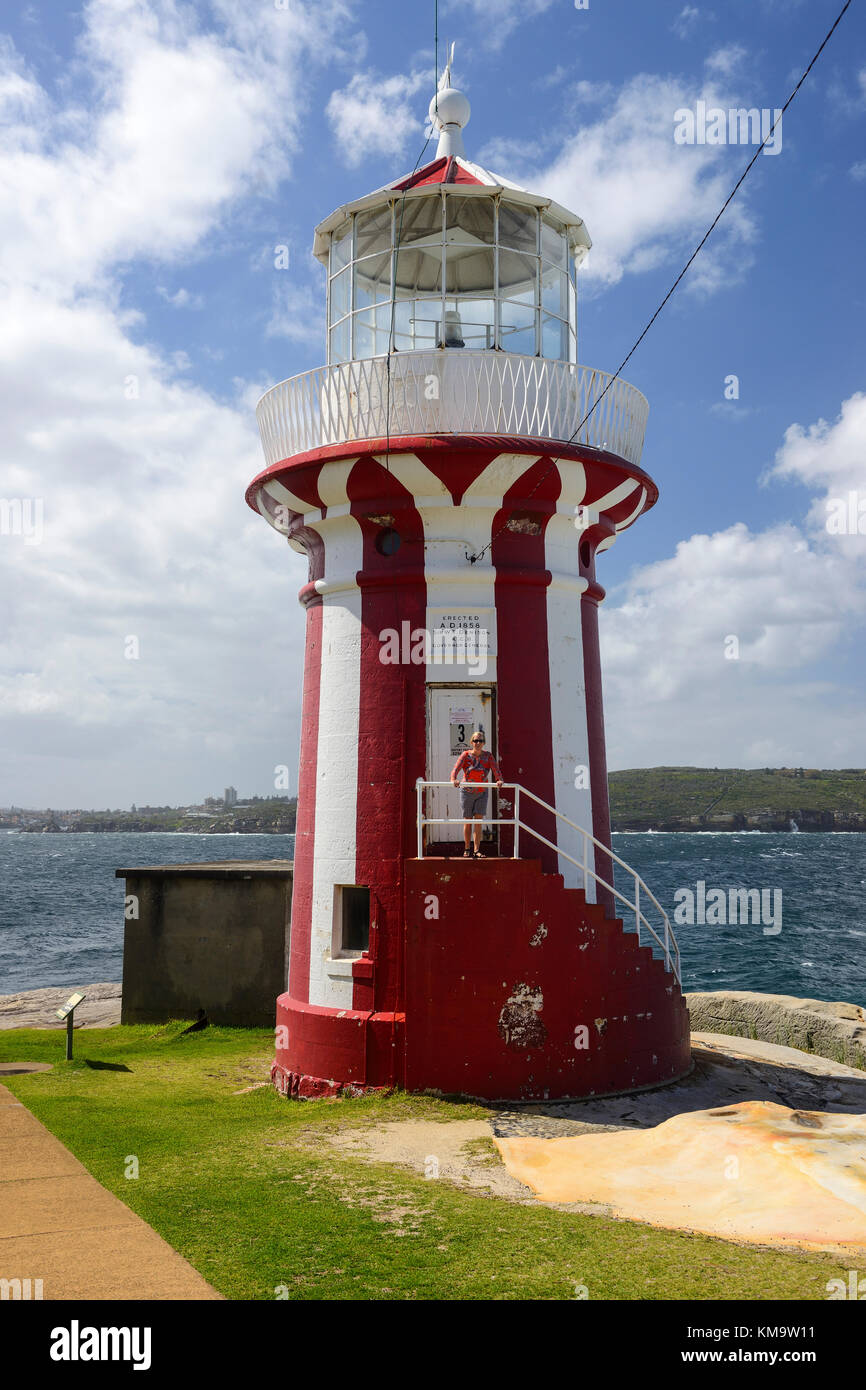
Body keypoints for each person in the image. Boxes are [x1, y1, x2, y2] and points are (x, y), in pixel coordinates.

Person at [451, 732, 503, 858]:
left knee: (478, 821)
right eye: (475, 740)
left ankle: (476, 850)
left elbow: (496, 770)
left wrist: (499, 779)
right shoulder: (466, 755)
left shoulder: (488, 756)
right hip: (467, 792)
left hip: (481, 792)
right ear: (471, 742)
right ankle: (467, 849)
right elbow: (455, 770)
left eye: (480, 741)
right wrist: (454, 779)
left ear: (484, 743)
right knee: (467, 821)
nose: (478, 743)